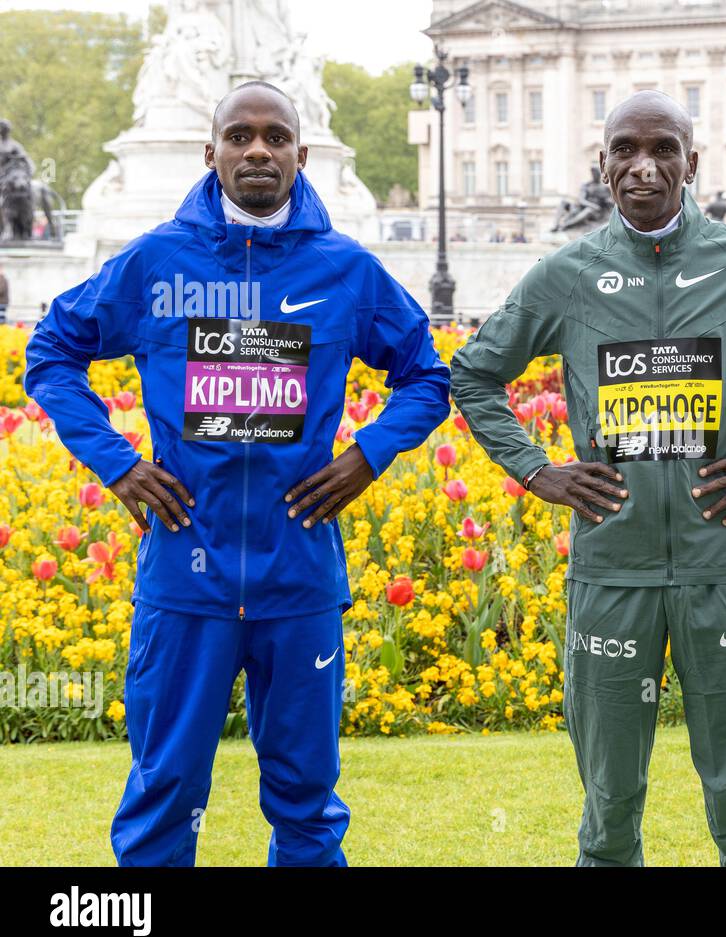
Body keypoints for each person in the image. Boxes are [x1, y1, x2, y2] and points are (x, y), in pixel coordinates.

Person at [24, 81, 450, 866]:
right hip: (187, 578)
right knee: (164, 795)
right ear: (211, 151)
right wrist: (117, 464)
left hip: (299, 579)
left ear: (301, 152)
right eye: (241, 136)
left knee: (308, 805)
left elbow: (428, 375)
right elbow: (49, 351)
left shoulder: (346, 271)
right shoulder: (157, 261)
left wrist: (368, 455)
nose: (258, 150)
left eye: (276, 137)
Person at [452, 90, 726, 866]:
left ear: (692, 162)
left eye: (662, 151)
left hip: (722, 569)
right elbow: (475, 375)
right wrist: (537, 469)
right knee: (610, 805)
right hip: (612, 570)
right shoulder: (567, 274)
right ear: (603, 164)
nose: (643, 168)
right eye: (625, 151)